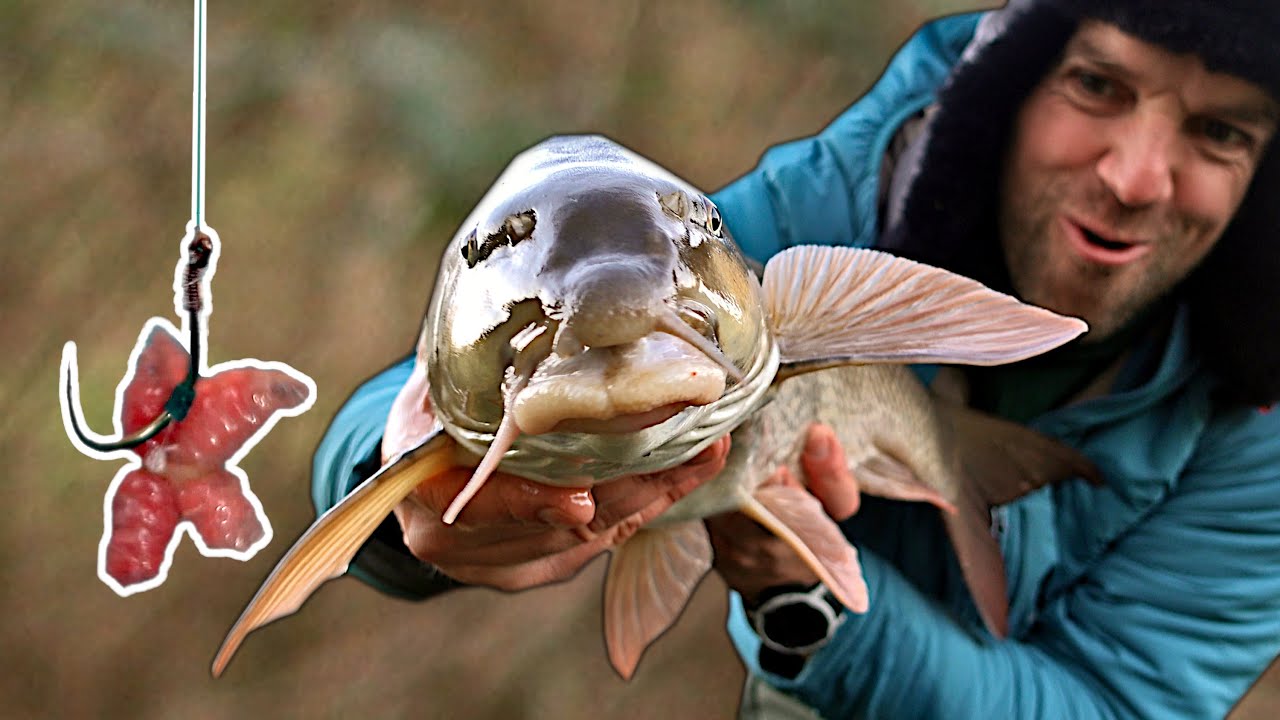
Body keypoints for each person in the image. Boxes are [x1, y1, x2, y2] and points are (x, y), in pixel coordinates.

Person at [311, 0, 1280, 716]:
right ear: (1010, 80)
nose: (1135, 175)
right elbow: (395, 414)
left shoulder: (1264, 438)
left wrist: (803, 597)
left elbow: (1115, 705)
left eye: (1219, 131)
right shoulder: (807, 223)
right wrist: (403, 502)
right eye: (1097, 86)